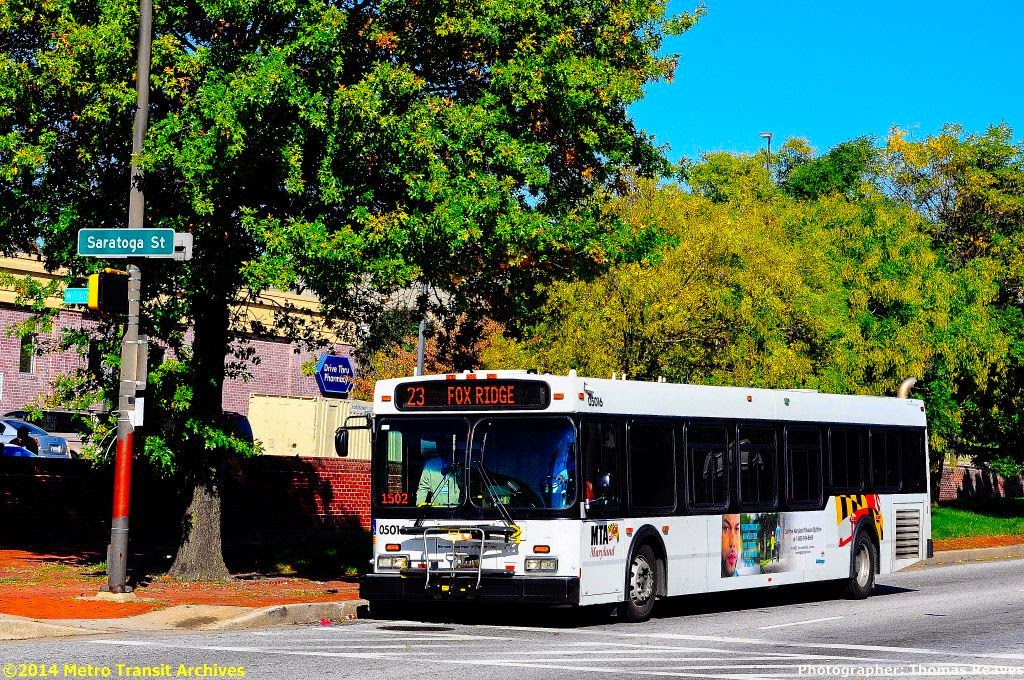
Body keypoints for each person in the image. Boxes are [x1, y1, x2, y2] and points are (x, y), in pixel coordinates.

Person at [415, 441, 461, 506]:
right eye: (444, 448)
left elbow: (463, 486)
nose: (447, 451)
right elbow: (423, 489)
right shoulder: (430, 466)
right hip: (436, 511)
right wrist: (419, 508)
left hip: (455, 509)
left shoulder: (457, 465)